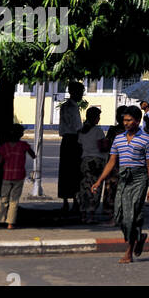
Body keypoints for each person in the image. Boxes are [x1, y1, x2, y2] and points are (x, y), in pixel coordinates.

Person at [89, 106, 149, 263]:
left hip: (139, 179)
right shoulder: (118, 138)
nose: (126, 123)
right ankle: (139, 236)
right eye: (124, 120)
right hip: (123, 179)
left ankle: (129, 252)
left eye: (129, 120)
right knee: (119, 214)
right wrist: (99, 181)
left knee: (131, 215)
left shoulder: (147, 139)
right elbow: (112, 161)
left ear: (138, 121)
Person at [0, 124, 34, 230]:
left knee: (3, 198)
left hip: (7, 175)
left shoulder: (5, 147)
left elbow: (0, 161)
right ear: (21, 134)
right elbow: (33, 155)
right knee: (14, 200)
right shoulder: (24, 145)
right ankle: (10, 223)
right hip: (19, 175)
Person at [77, 106, 108, 222]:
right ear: (94, 117)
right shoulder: (98, 131)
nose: (99, 119)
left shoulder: (82, 131)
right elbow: (102, 148)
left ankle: (83, 214)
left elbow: (80, 146)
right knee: (95, 186)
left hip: (84, 161)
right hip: (97, 161)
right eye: (98, 116)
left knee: (84, 187)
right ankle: (91, 214)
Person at [57, 81, 84, 216]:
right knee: (72, 171)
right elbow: (76, 127)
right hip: (72, 140)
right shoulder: (70, 107)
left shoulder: (68, 106)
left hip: (68, 140)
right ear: (73, 92)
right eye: (81, 91)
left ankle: (68, 201)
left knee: (67, 171)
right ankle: (71, 201)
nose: (82, 94)